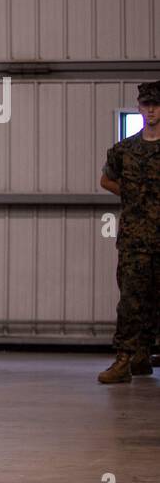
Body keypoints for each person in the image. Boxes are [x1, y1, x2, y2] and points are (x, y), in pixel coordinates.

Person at [97, 80, 160, 384]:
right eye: (146, 105)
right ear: (139, 108)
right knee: (132, 301)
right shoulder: (124, 150)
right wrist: (131, 194)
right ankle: (124, 359)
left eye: (156, 105)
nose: (151, 111)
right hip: (136, 240)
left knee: (153, 301)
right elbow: (105, 180)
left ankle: (143, 355)